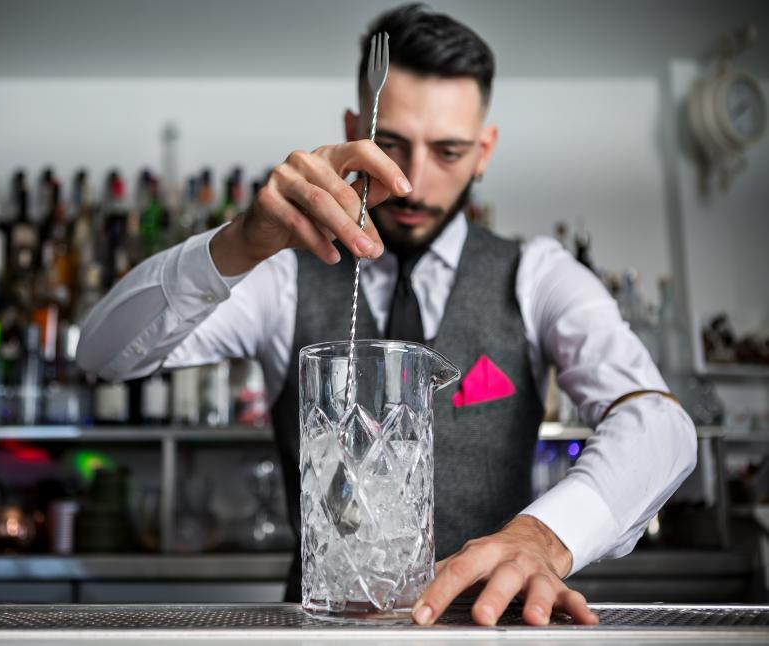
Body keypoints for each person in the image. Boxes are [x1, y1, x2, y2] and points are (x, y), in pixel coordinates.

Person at [77, 3, 696, 627]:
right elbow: (102, 355)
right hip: (322, 630)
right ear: (355, 130)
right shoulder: (283, 277)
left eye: (449, 151)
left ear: (484, 151)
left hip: (491, 633)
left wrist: (545, 535)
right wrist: (236, 243)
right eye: (391, 145)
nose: (412, 183)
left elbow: (661, 425)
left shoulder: (537, 275)